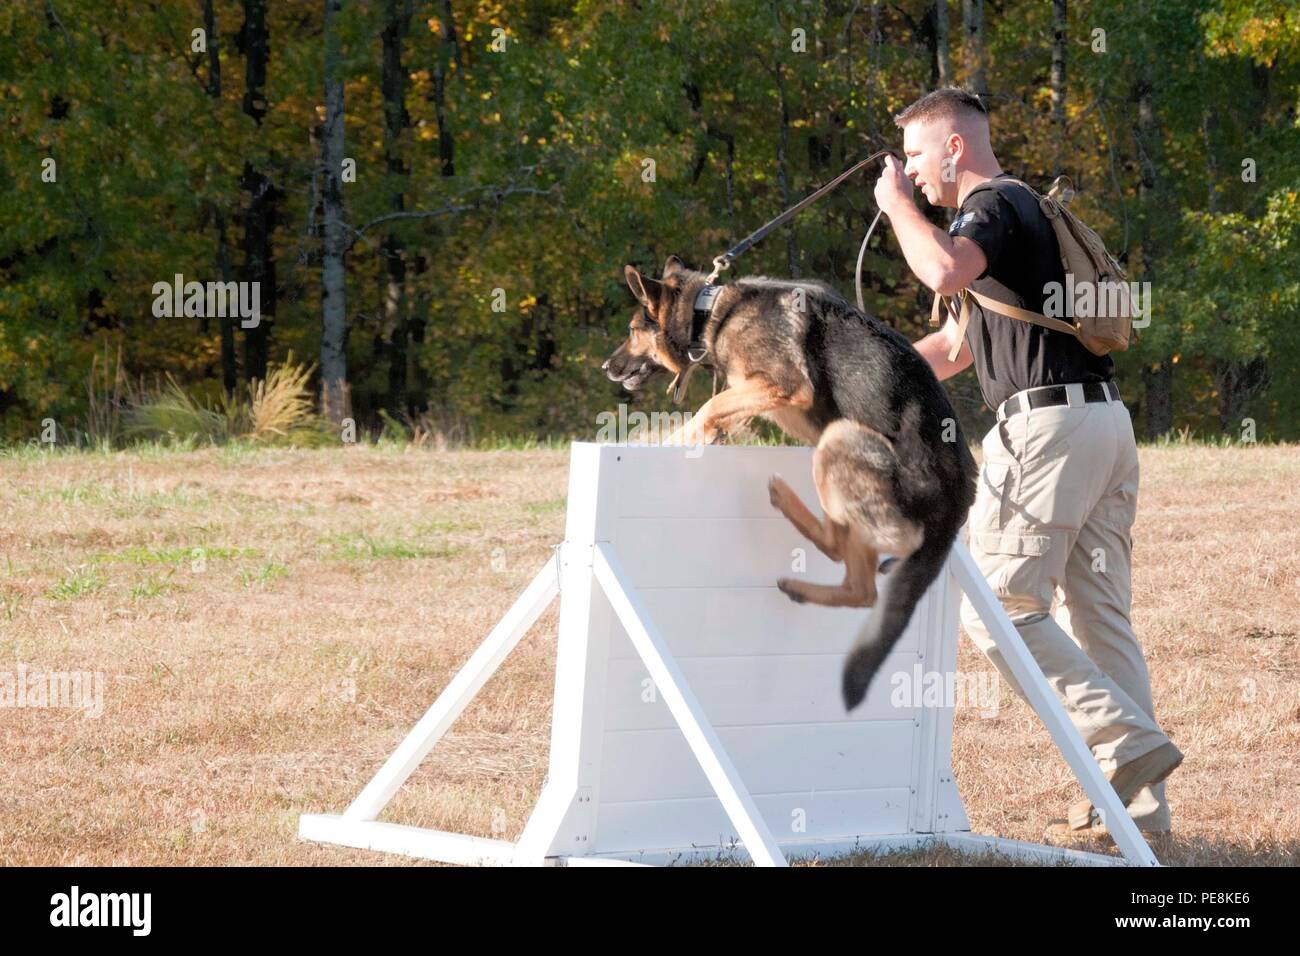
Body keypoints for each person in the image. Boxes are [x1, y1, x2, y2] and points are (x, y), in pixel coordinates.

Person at [871, 87, 1183, 841]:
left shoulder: (992, 206)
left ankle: (1127, 743)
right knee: (1099, 619)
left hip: (1048, 432)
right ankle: (1136, 820)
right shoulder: (1022, 218)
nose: (908, 175)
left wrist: (897, 210)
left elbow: (944, 271)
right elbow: (953, 346)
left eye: (914, 157)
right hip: (1102, 424)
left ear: (954, 148)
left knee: (1000, 609)